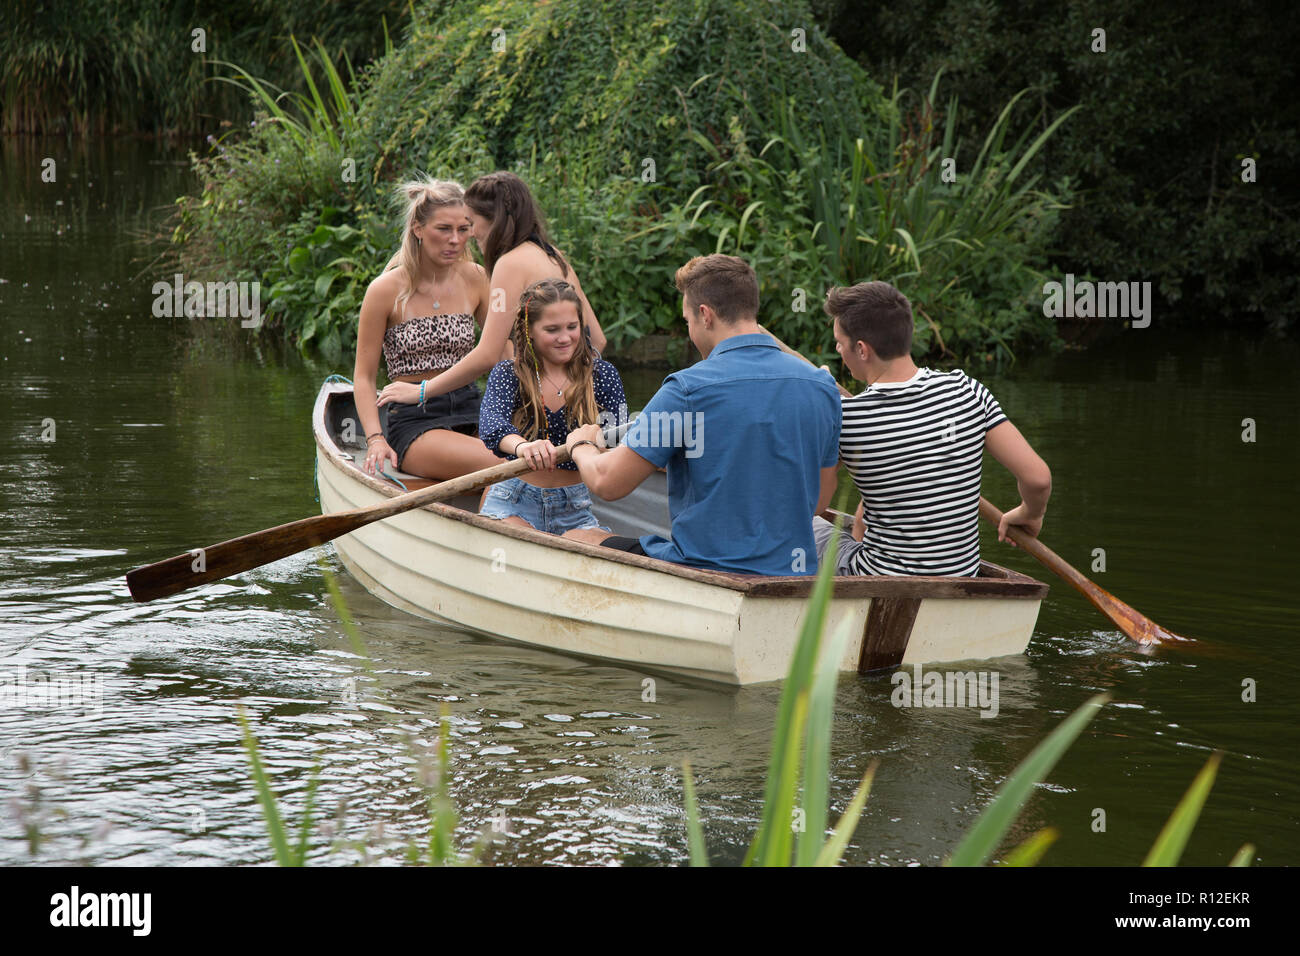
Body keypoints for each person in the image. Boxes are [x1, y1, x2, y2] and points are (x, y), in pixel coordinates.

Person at [560, 254, 842, 577]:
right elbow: (818, 501)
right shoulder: (821, 387)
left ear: (705, 315)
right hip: (792, 573)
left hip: (706, 570)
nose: (690, 330)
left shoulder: (686, 389)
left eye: (687, 321)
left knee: (575, 537)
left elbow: (607, 483)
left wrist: (581, 445)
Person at [813, 280, 1052, 577]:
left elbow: (814, 502)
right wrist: (1031, 513)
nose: (837, 349)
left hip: (881, 579)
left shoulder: (845, 417)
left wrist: (819, 402)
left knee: (807, 529)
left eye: (839, 341)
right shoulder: (967, 391)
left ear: (861, 349)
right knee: (866, 508)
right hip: (961, 577)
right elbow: (1038, 478)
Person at [378, 171, 607, 415]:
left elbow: (488, 355)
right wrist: (570, 389)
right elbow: (597, 340)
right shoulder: (553, 255)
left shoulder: (508, 265)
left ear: (494, 221)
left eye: (472, 222)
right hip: (580, 400)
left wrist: (422, 391)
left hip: (545, 409)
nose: (472, 233)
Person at [356, 177, 502, 480]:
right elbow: (364, 377)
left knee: (527, 461)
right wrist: (375, 439)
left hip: (473, 407)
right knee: (503, 466)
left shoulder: (477, 278)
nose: (455, 240)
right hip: (416, 420)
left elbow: (504, 352)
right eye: (444, 229)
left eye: (464, 229)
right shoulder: (383, 290)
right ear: (418, 229)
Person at [477, 279, 627, 535]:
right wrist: (523, 446)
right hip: (513, 500)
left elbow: (619, 438)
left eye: (572, 326)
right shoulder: (509, 373)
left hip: (575, 507)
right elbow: (491, 424)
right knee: (521, 546)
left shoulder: (603, 375)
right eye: (552, 329)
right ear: (530, 331)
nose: (565, 338)